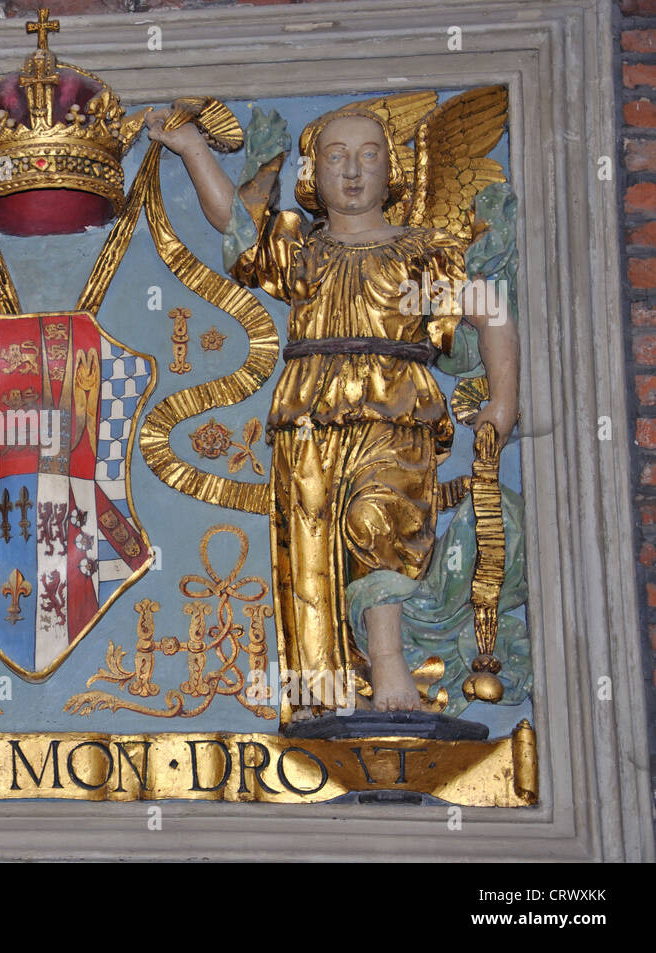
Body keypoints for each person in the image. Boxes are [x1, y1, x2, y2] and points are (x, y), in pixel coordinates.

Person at [147, 104, 518, 718]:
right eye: (335, 157)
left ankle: (392, 666)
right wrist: (190, 147)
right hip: (311, 413)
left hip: (394, 412)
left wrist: (504, 401)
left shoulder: (419, 254)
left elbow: (491, 310)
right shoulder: (302, 252)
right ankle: (329, 691)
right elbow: (236, 222)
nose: (352, 171)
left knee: (383, 522)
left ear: (391, 168)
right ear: (313, 174)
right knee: (314, 548)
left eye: (369, 155)